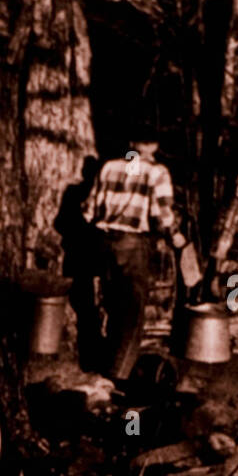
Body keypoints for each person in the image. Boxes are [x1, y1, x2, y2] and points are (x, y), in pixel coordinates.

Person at [80, 127, 187, 386]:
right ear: (154, 145)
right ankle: (117, 379)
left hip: (103, 242)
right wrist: (176, 237)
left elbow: (87, 210)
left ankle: (106, 365)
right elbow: (162, 216)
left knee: (113, 308)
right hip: (132, 244)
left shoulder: (109, 167)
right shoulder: (156, 173)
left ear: (131, 141)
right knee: (132, 314)